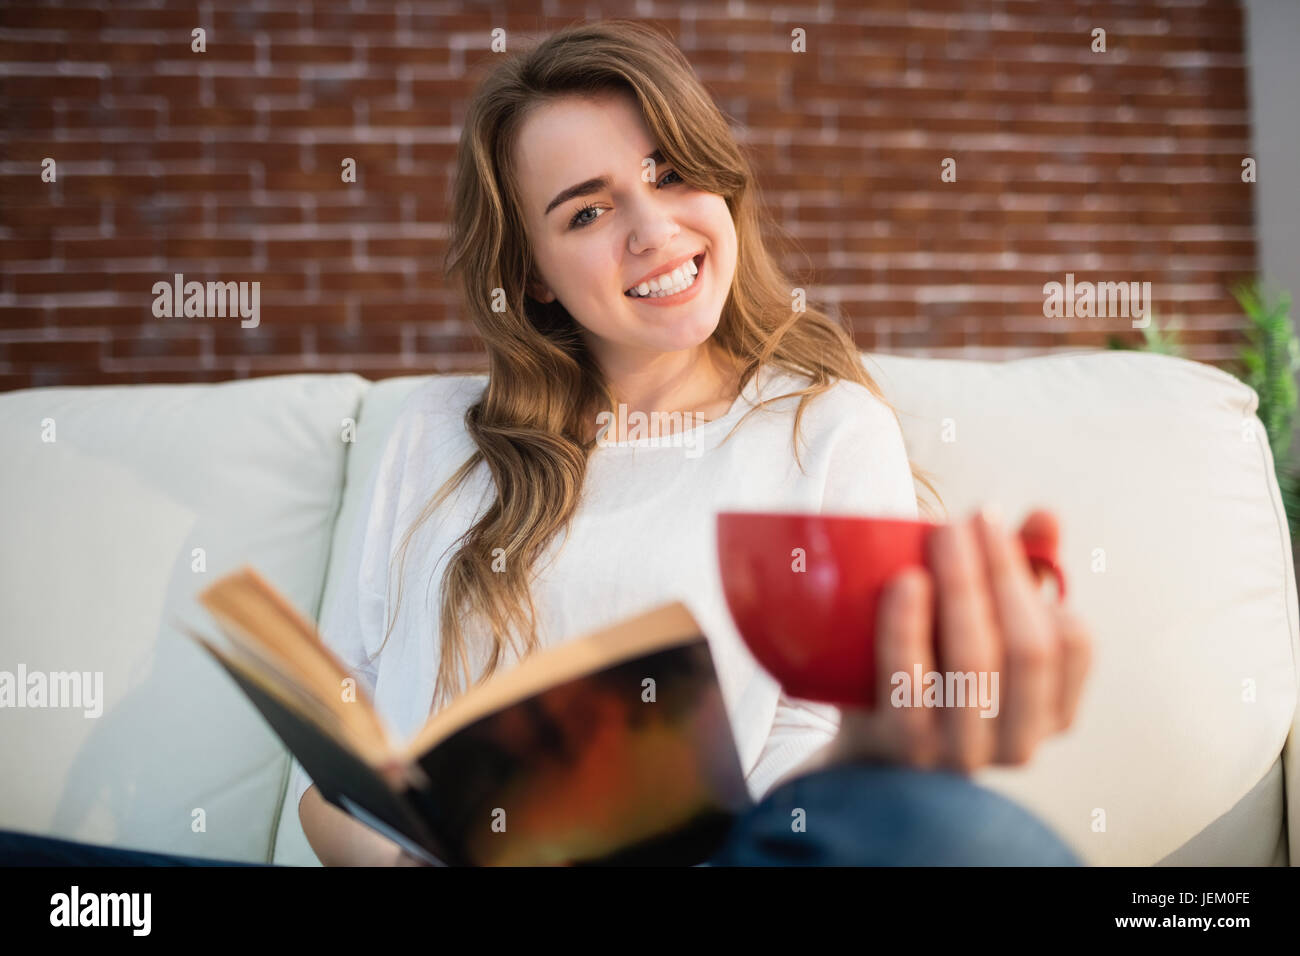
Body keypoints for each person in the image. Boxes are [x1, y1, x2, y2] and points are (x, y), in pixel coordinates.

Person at [0, 20, 1090, 868]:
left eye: (669, 172)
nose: (651, 229)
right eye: (585, 211)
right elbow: (332, 778)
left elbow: (826, 770)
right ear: (529, 273)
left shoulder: (818, 425)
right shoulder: (434, 441)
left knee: (974, 845)